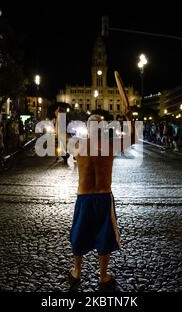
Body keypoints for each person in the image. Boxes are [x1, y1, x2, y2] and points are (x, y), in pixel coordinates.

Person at [69, 109, 135, 290]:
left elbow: (59, 136)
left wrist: (57, 118)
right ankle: (103, 275)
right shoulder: (110, 145)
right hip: (104, 196)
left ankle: (76, 271)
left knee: (79, 233)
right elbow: (133, 137)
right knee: (105, 235)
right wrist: (129, 118)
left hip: (84, 197)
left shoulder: (77, 146)